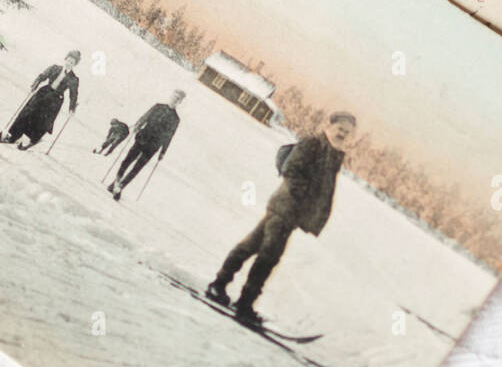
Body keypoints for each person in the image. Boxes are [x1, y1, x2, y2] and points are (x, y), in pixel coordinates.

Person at [205, 111, 355, 325]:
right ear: (328, 126)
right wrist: (303, 199)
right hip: (286, 208)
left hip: (289, 212)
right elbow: (293, 171)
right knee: (269, 256)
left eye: (348, 133)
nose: (343, 134)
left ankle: (219, 285)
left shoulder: (332, 155)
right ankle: (244, 303)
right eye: (341, 129)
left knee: (251, 246)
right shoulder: (312, 145)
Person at [107, 90, 184, 200]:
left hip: (153, 146)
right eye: (174, 97)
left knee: (137, 168)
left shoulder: (175, 119)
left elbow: (169, 137)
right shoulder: (158, 107)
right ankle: (117, 182)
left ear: (180, 102)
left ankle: (120, 187)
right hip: (142, 138)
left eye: (178, 99)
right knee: (126, 161)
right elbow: (145, 117)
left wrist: (163, 152)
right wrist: (138, 125)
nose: (174, 100)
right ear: (170, 96)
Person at [0, 51, 80, 150]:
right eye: (69, 60)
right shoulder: (55, 68)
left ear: (75, 65)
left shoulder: (73, 79)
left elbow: (73, 94)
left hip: (55, 100)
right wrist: (35, 84)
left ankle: (30, 141)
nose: (69, 64)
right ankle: (12, 135)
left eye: (72, 63)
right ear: (65, 59)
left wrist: (72, 108)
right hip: (43, 93)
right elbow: (42, 76)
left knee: (42, 121)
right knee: (27, 113)